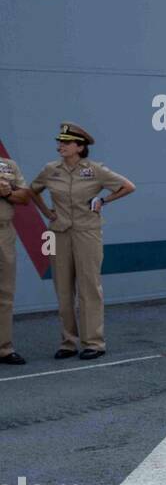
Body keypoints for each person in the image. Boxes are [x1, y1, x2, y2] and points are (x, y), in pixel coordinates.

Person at [28, 124, 135, 359]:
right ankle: (68, 342)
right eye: (59, 142)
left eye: (66, 143)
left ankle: (93, 343)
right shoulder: (50, 170)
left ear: (80, 147)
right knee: (63, 289)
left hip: (88, 232)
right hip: (57, 234)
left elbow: (128, 186)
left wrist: (104, 200)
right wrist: (47, 212)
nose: (60, 146)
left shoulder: (95, 170)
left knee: (89, 288)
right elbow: (32, 191)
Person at [0, 153, 32, 365]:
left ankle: (4, 348)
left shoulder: (9, 166)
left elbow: (25, 198)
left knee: (4, 293)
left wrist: (7, 191)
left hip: (3, 233)